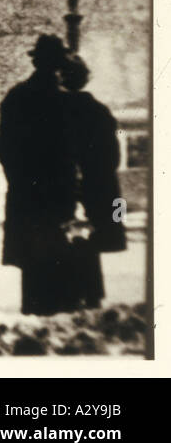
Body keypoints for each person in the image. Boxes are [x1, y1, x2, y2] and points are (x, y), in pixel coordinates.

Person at [0, 34, 82, 315]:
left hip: (27, 190)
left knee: (33, 253)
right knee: (58, 247)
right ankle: (57, 310)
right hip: (58, 188)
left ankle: (35, 309)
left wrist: (20, 181)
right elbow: (75, 148)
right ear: (57, 62)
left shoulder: (17, 96)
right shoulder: (64, 101)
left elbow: (5, 149)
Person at [60, 53, 127, 308]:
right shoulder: (100, 111)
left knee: (68, 237)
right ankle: (93, 293)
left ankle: (73, 293)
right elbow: (112, 154)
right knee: (90, 239)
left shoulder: (58, 110)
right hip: (98, 184)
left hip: (69, 182)